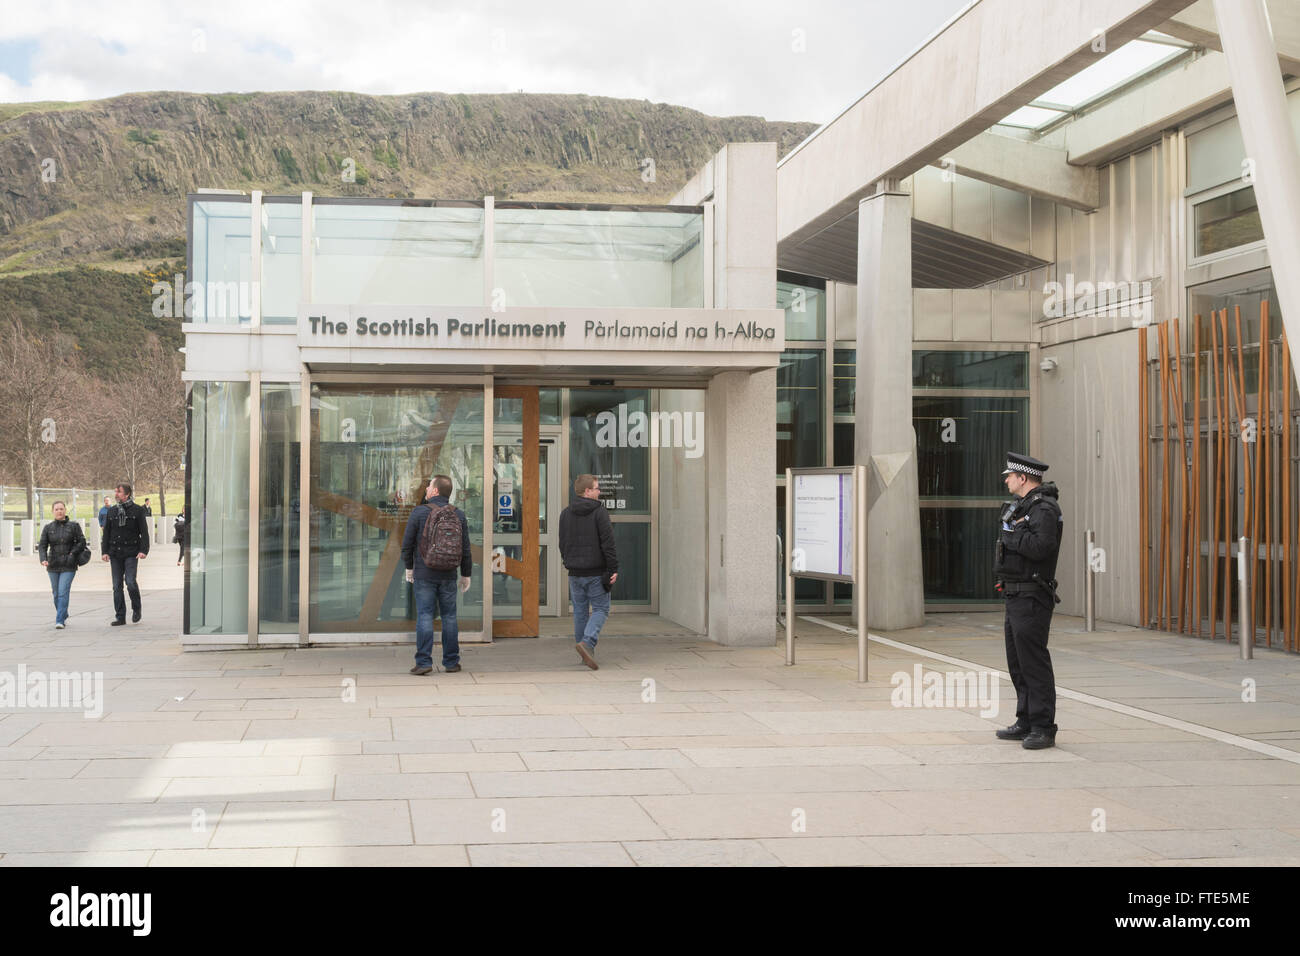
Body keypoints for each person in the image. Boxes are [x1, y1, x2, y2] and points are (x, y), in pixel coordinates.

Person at [993, 453, 1063, 750]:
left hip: (1032, 595)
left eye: (1010, 476)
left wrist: (1014, 534)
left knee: (1033, 662)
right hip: (1015, 592)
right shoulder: (1024, 507)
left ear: (1023, 478)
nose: (1007, 480)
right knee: (1017, 662)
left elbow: (1040, 547)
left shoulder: (1044, 509)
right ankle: (1025, 719)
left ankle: (1043, 726)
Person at [400, 474, 472, 675]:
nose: (426, 490)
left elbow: (406, 545)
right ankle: (451, 662)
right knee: (449, 616)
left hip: (424, 573)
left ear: (436, 491)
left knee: (424, 615)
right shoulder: (459, 514)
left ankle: (424, 662)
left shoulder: (419, 512)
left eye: (429, 486)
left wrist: (409, 568)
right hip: (449, 573)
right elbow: (465, 549)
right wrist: (466, 574)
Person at [558, 474, 618, 670]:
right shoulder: (599, 512)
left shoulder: (565, 513)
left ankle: (585, 654)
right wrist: (612, 569)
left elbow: (562, 542)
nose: (599, 491)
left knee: (580, 611)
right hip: (596, 572)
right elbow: (608, 543)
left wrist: (568, 562)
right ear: (587, 491)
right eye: (596, 488)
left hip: (575, 572)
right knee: (601, 609)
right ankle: (587, 643)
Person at [101, 482, 150, 626]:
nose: (116, 494)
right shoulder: (112, 511)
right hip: (115, 553)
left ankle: (136, 608)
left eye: (119, 492)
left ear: (127, 494)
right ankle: (120, 616)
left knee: (130, 582)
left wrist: (143, 550)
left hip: (131, 552)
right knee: (116, 586)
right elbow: (106, 534)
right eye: (115, 491)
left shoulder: (137, 510)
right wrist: (104, 551)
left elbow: (144, 533)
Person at [38, 500, 87, 629]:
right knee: (55, 593)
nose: (59, 511)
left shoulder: (74, 526)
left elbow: (82, 542)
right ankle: (63, 613)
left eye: (61, 509)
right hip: (53, 564)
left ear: (65, 510)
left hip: (69, 565)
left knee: (63, 592)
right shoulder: (48, 528)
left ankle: (59, 620)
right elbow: (42, 545)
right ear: (53, 512)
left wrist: (72, 554)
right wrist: (43, 558)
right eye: (56, 509)